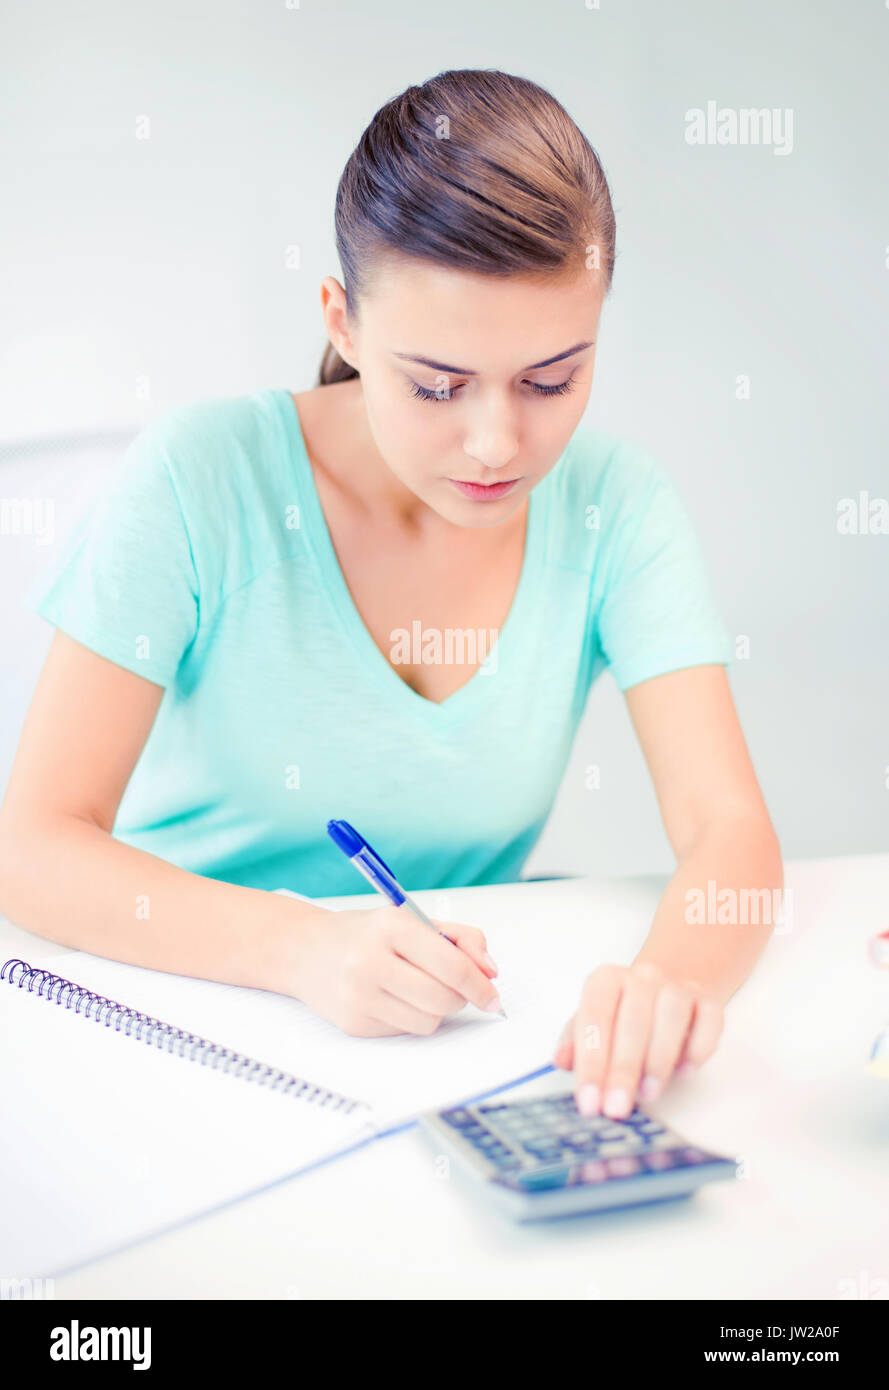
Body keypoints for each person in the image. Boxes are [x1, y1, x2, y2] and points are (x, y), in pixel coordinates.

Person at [0, 69, 782, 1120]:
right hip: (169, 1023)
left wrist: (668, 984)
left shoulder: (616, 507)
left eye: (551, 379)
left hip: (435, 1055)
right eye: (436, 384)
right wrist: (298, 946)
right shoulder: (199, 477)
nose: (499, 444)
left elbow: (728, 831)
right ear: (345, 323)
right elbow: (30, 848)